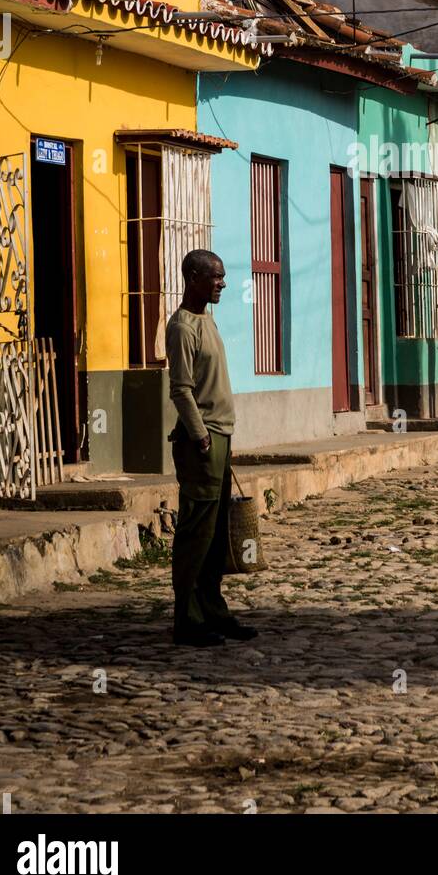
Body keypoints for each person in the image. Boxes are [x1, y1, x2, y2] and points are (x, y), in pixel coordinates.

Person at [165, 249, 255, 647]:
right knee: (196, 533)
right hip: (201, 440)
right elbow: (181, 390)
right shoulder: (183, 327)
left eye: (223, 276)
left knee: (217, 534)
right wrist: (201, 435)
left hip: (220, 435)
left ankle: (213, 609)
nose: (222, 283)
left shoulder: (207, 320)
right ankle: (187, 618)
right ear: (194, 277)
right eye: (216, 276)